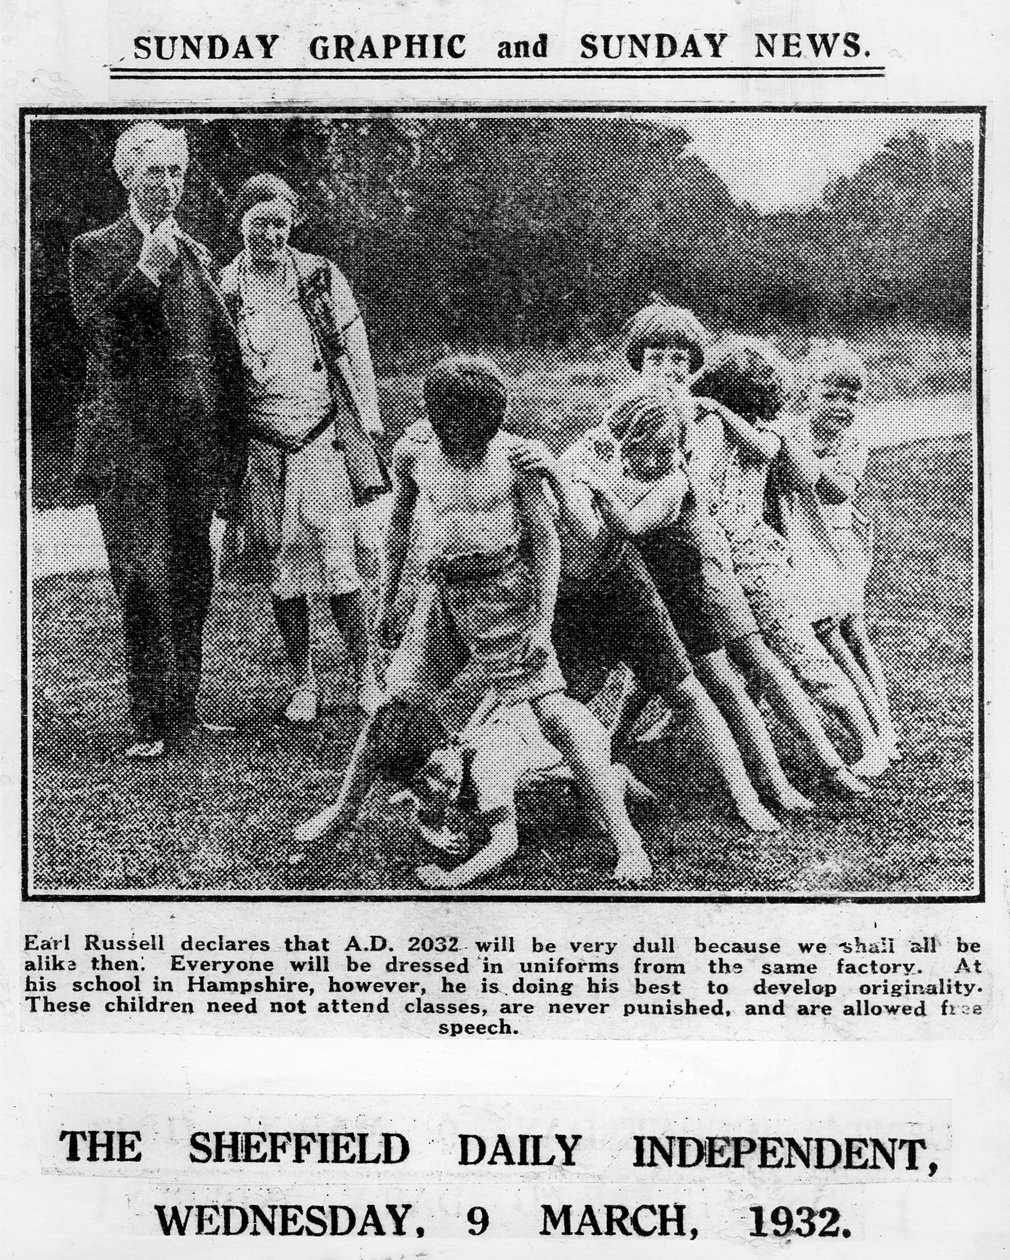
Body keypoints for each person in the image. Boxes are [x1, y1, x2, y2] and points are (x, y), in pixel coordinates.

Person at [306, 355, 652, 886]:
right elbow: (399, 526)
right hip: (441, 592)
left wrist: (539, 624)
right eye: (449, 432)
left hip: (505, 597)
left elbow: (548, 542)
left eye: (471, 436)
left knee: (558, 717)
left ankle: (626, 842)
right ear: (436, 420)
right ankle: (342, 813)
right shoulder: (416, 450)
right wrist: (388, 600)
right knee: (392, 709)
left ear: (491, 425)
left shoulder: (518, 463)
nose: (458, 445)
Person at [601, 305, 870, 796]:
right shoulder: (629, 415)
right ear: (636, 363)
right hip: (649, 561)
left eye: (680, 358)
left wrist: (715, 415)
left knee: (747, 660)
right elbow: (602, 461)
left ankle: (823, 766)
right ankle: (608, 758)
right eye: (655, 357)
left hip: (709, 560)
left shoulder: (709, 418)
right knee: (649, 668)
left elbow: (753, 458)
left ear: (698, 367)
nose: (667, 368)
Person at [511, 421, 789, 832]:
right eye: (648, 450)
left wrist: (557, 475)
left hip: (626, 590)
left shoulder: (593, 475)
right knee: (559, 706)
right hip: (572, 605)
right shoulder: (565, 467)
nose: (658, 461)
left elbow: (591, 532)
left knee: (688, 693)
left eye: (666, 451)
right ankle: (604, 779)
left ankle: (746, 796)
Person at [68, 122, 247, 759]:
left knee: (194, 580)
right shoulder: (94, 250)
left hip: (192, 453)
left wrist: (243, 438)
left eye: (174, 174)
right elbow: (99, 334)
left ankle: (186, 712)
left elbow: (224, 358)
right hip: (130, 451)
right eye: (153, 174)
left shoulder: (198, 255)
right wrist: (145, 273)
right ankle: (150, 723)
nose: (166, 187)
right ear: (126, 178)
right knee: (143, 581)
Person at [220, 174, 385, 722]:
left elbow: (354, 350)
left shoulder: (318, 277)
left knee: (340, 566)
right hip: (265, 449)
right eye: (257, 223)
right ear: (239, 223)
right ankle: (304, 682)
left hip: (321, 440)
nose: (269, 234)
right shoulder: (228, 288)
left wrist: (369, 419)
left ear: (292, 226)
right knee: (283, 570)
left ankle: (365, 676)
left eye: (279, 224)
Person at [692, 337, 890, 777]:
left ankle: (868, 738)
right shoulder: (729, 429)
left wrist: (718, 412)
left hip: (752, 563)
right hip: (733, 559)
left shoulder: (756, 433)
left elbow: (745, 470)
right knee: (742, 652)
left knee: (803, 654)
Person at [291, 695, 653, 889]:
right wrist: (427, 816)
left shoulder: (486, 767)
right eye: (419, 782)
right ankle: (610, 780)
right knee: (464, 797)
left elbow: (505, 843)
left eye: (433, 772)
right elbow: (429, 791)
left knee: (595, 821)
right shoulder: (448, 757)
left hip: (579, 746)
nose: (432, 787)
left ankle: (614, 779)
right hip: (526, 737)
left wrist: (453, 878)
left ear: (449, 744)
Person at [772, 344, 900, 759]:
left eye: (851, 399)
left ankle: (881, 728)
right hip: (804, 542)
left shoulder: (851, 440)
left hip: (838, 544)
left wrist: (794, 452)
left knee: (849, 633)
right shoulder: (790, 427)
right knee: (830, 637)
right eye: (831, 395)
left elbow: (838, 489)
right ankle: (874, 728)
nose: (842, 407)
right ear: (808, 391)